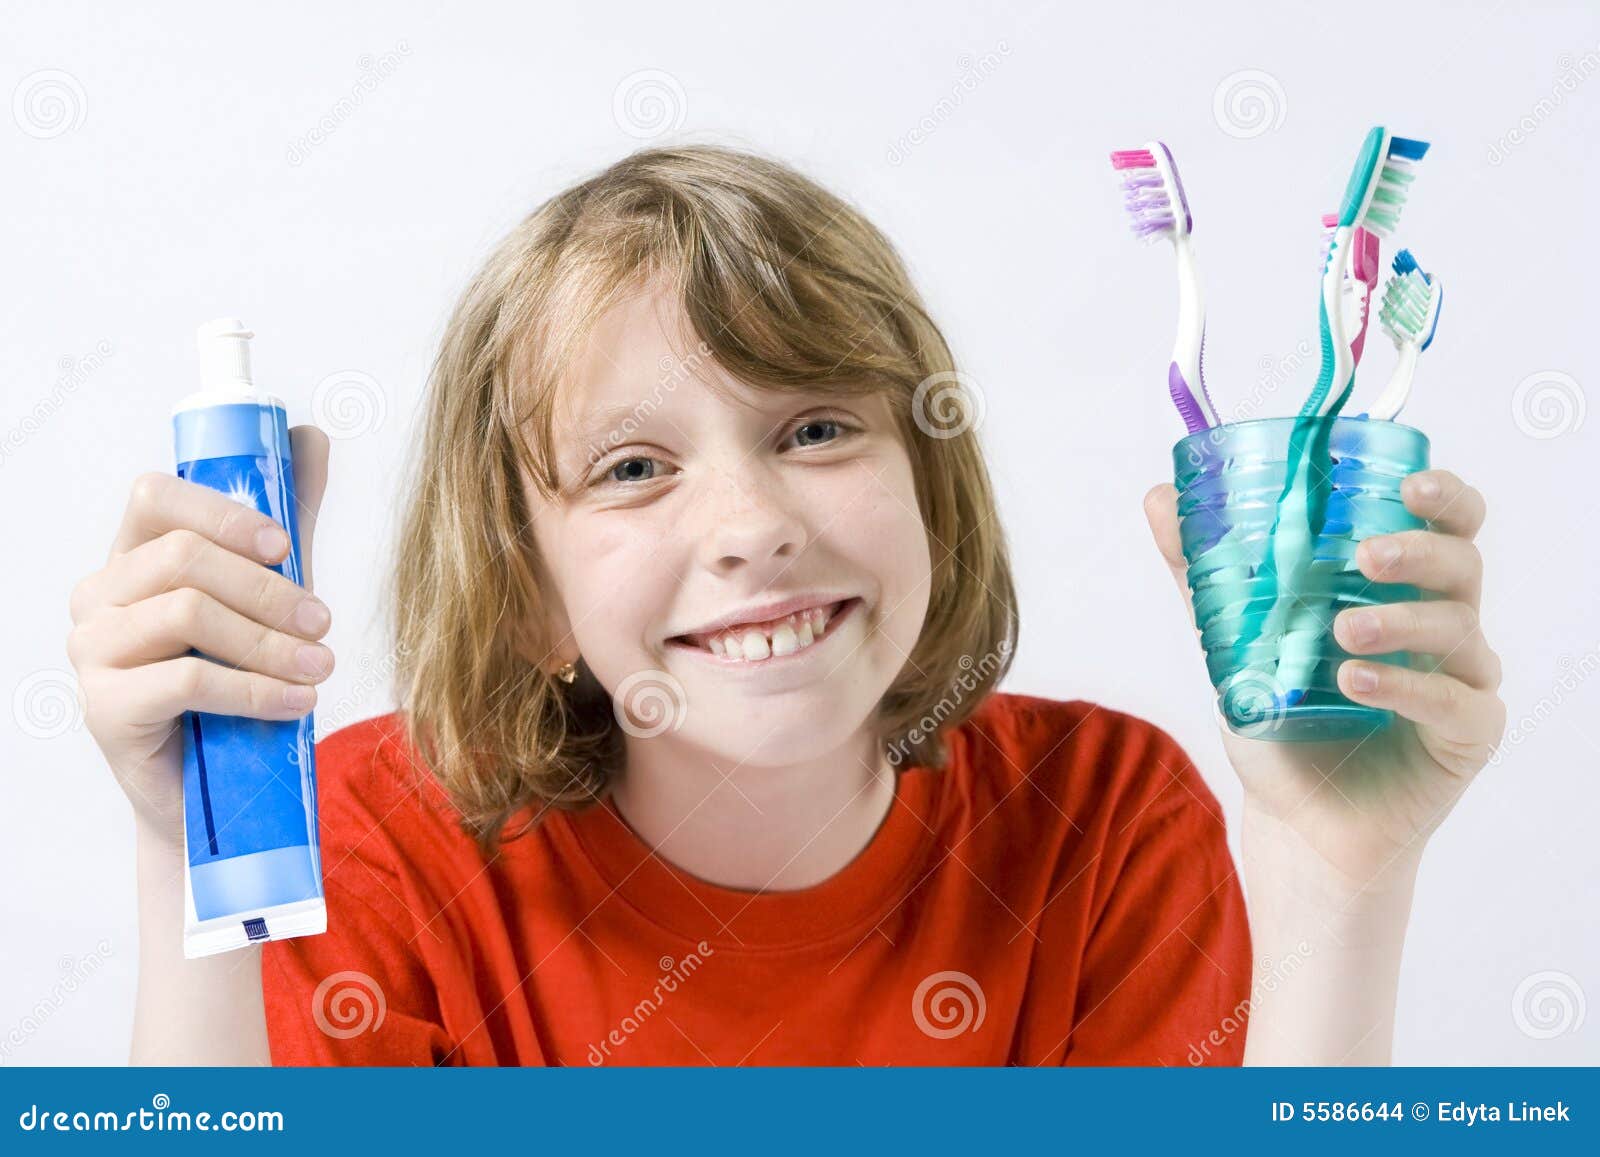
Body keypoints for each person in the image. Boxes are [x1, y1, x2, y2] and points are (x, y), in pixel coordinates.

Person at [68, 144, 1505, 1066]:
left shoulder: (1104, 819)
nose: (753, 526)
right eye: (632, 468)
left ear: (932, 494)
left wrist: (1335, 885)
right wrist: (179, 846)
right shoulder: (362, 842)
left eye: (818, 429)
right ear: (526, 593)